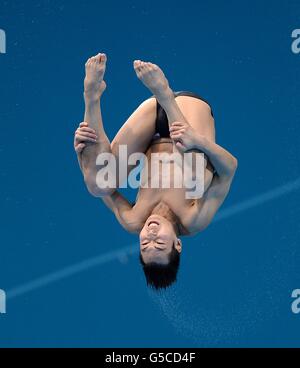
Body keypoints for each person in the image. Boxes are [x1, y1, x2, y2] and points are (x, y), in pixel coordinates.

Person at [74, 53, 238, 290]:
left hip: (151, 121)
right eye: (159, 245)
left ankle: (91, 95)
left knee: (99, 184)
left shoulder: (132, 220)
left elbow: (94, 181)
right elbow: (230, 168)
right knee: (198, 179)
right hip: (186, 112)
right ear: (177, 244)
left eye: (144, 245)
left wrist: (81, 152)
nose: (150, 235)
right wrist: (200, 142)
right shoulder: (194, 219)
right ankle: (166, 94)